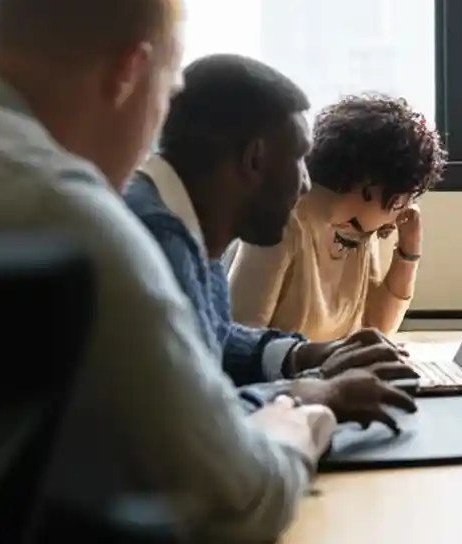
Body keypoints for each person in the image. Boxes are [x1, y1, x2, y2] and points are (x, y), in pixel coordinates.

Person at [0, 0, 332, 539]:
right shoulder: (70, 219)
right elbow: (236, 500)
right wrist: (300, 417)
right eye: (166, 93)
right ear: (129, 72)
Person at [124, 53, 418, 429]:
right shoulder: (157, 242)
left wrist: (306, 355)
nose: (307, 184)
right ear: (255, 159)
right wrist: (312, 392)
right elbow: (196, 425)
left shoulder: (188, 221)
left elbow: (213, 339)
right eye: (299, 159)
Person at [230, 93, 446, 340]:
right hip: (285, 379)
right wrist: (325, 359)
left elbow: (376, 330)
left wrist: (408, 252)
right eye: (404, 196)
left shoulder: (357, 228)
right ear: (373, 185)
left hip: (325, 376)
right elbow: (239, 344)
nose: (406, 206)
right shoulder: (279, 221)